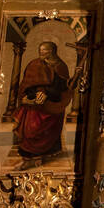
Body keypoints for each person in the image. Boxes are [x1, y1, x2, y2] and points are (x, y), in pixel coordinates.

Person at [12, 40, 73, 168]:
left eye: (44, 49)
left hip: (52, 103)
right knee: (30, 127)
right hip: (34, 102)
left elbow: (62, 89)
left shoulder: (61, 67)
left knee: (48, 127)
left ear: (52, 51)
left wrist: (47, 94)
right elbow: (27, 84)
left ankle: (45, 153)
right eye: (40, 49)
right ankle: (28, 155)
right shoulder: (34, 64)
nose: (41, 51)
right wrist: (32, 96)